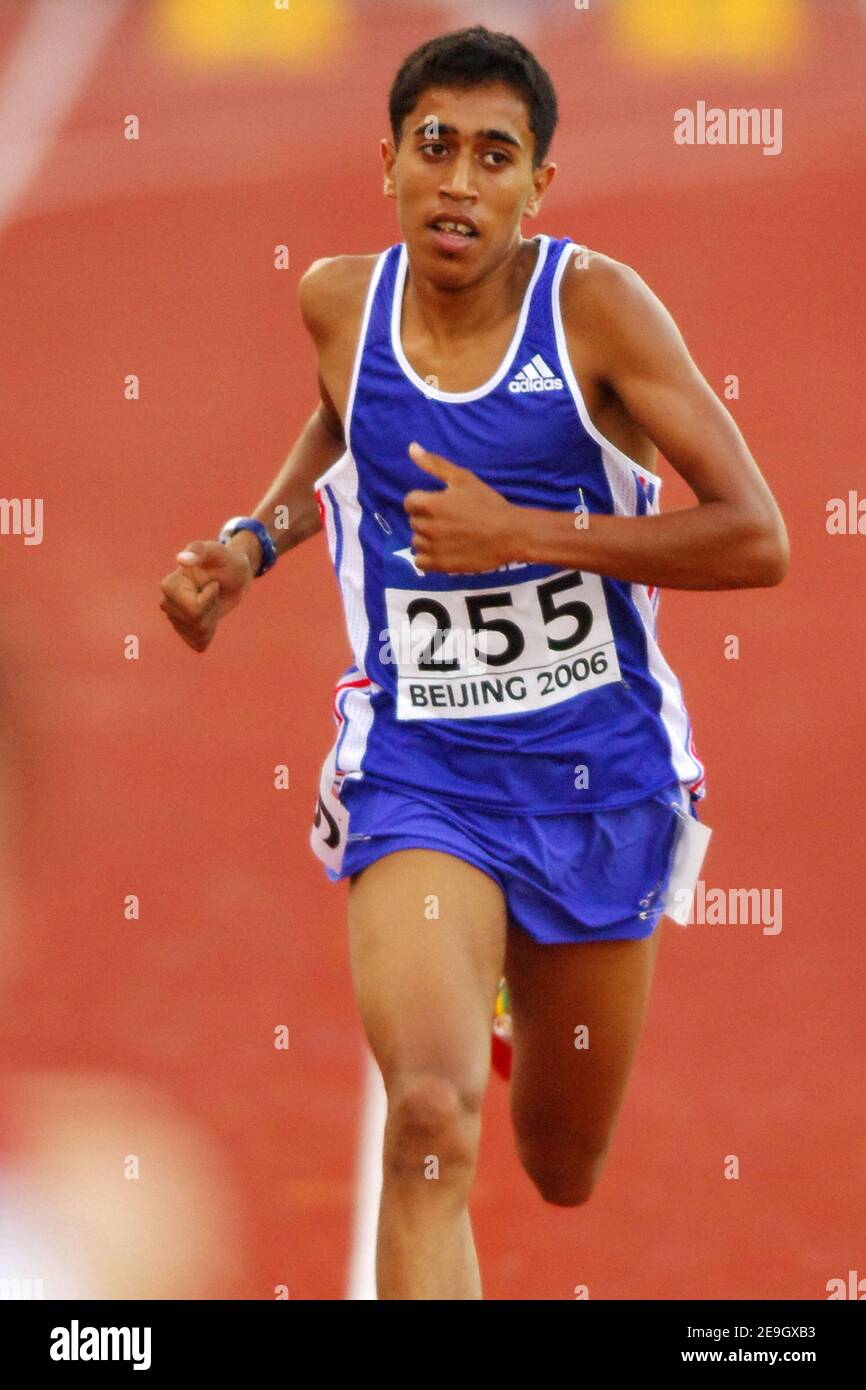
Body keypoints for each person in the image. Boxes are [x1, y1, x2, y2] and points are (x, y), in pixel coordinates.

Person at [160, 25, 789, 1300]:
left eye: (492, 156)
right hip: (421, 771)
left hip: (596, 782)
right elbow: (346, 414)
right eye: (432, 147)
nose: (458, 180)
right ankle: (461, 1006)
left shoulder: (596, 310)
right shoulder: (340, 301)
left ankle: (513, 1000)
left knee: (560, 1166)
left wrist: (529, 534)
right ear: (385, 159)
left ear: (536, 184)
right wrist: (252, 540)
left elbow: (756, 537)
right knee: (431, 1121)